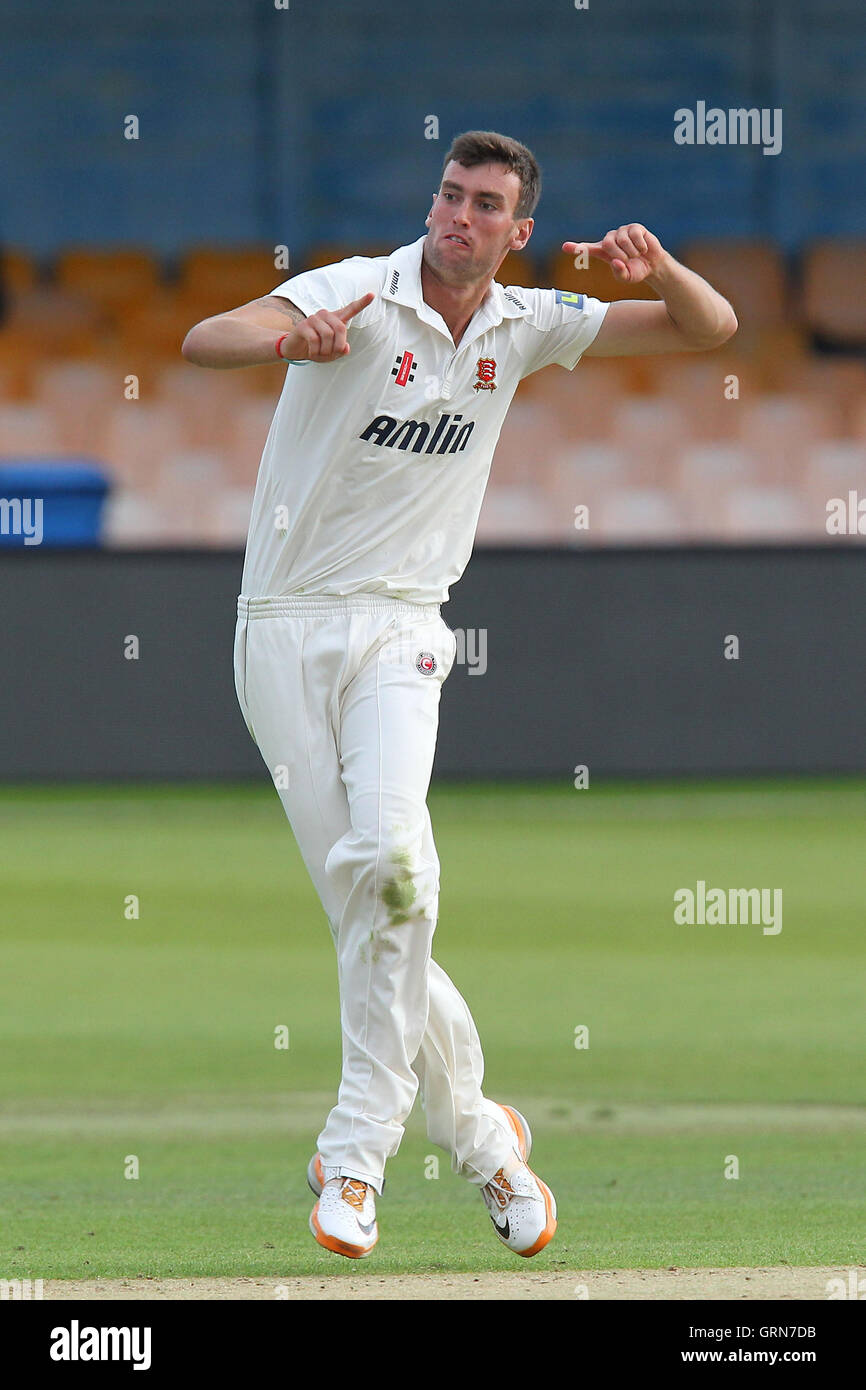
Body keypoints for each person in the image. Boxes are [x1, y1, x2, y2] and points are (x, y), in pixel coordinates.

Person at [182, 129, 737, 1260]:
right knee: (369, 904)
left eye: (485, 205)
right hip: (280, 628)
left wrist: (662, 268)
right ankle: (483, 1139)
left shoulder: (527, 324)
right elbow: (205, 338)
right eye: (448, 194)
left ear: (518, 231)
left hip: (403, 627)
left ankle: (353, 1155)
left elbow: (708, 329)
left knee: (394, 868)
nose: (459, 216)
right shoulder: (359, 291)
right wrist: (292, 335)